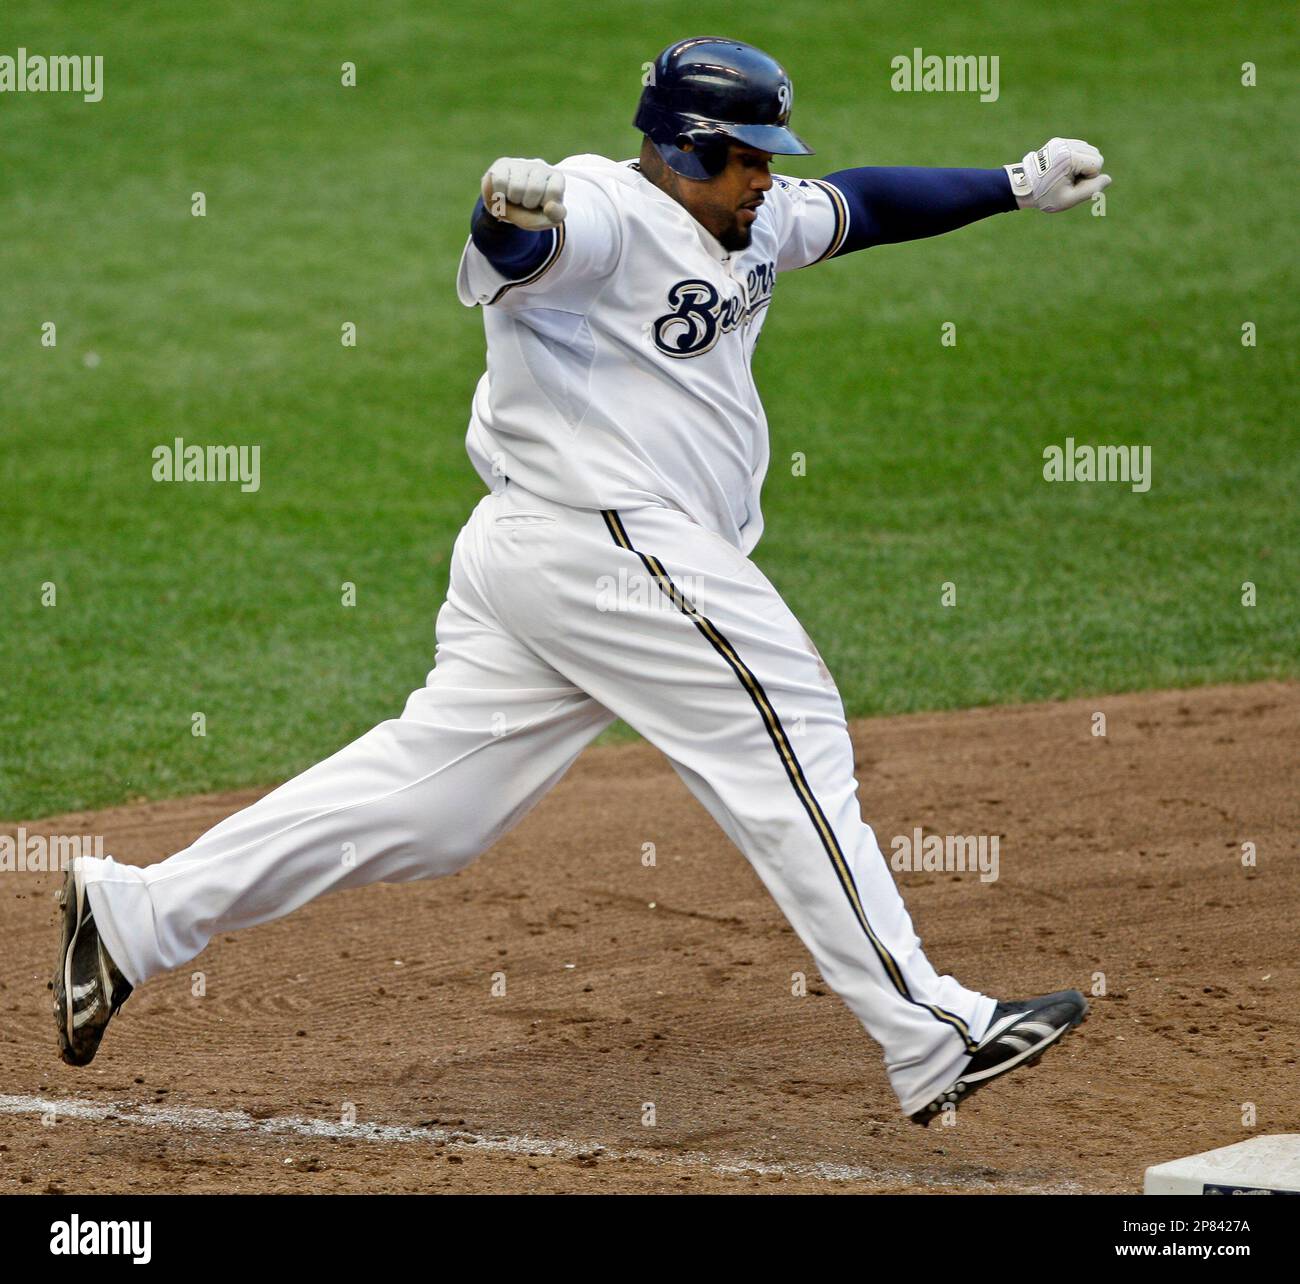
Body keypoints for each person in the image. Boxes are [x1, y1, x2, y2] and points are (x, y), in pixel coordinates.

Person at [55, 36, 1108, 1125]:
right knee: (787, 718)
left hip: (542, 555)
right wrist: (503, 216)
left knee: (437, 809)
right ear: (686, 148)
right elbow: (521, 252)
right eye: (748, 157)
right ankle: (930, 1032)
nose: (767, 177)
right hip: (604, 542)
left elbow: (864, 205)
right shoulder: (601, 214)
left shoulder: (745, 216)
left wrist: (1013, 185)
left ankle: (136, 914)